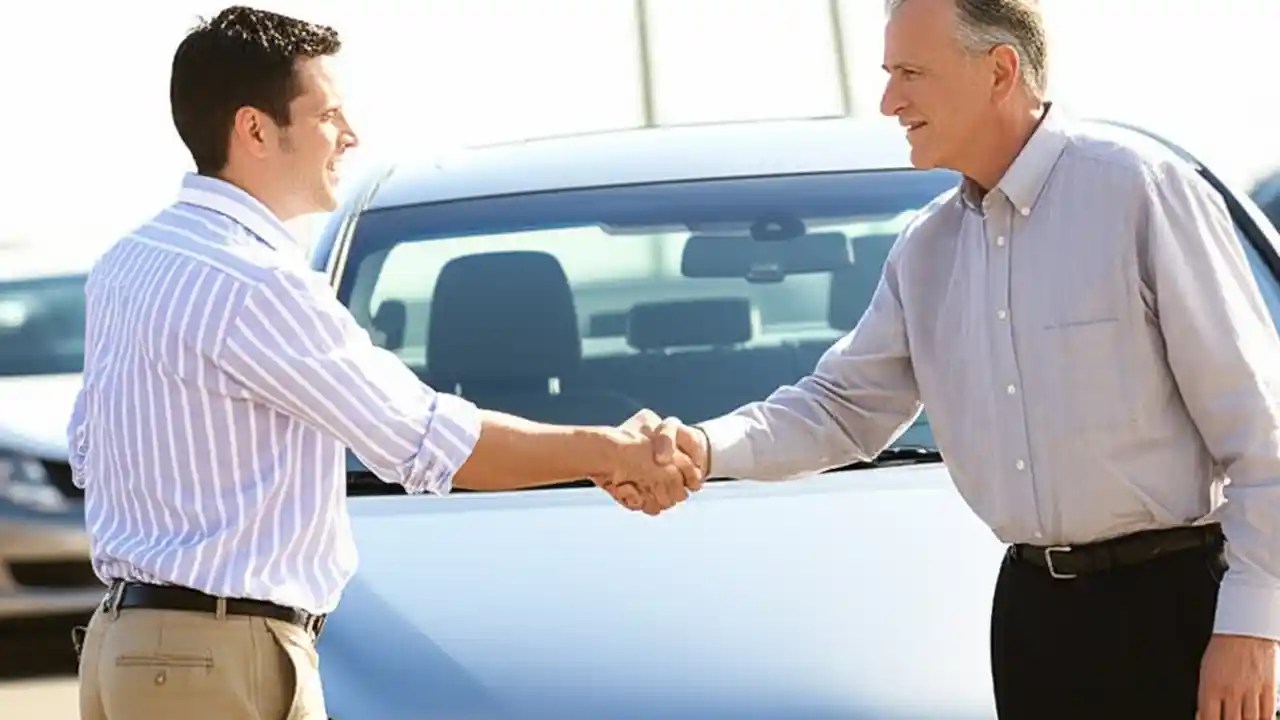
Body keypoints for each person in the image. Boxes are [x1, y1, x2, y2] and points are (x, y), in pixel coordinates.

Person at [624, 0, 1280, 717]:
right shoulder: (927, 250)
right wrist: (701, 445)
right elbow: (840, 410)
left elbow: (1261, 428)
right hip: (1035, 622)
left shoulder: (1138, 191)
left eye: (911, 72)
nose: (888, 100)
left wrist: (1252, 623)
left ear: (1000, 71)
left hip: (1182, 609)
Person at [68, 6, 701, 719]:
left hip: (125, 651)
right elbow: (426, 441)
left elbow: (91, 457)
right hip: (215, 660)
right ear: (254, 129)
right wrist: (606, 450)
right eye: (328, 115)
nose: (350, 135)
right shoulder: (256, 282)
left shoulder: (127, 265)